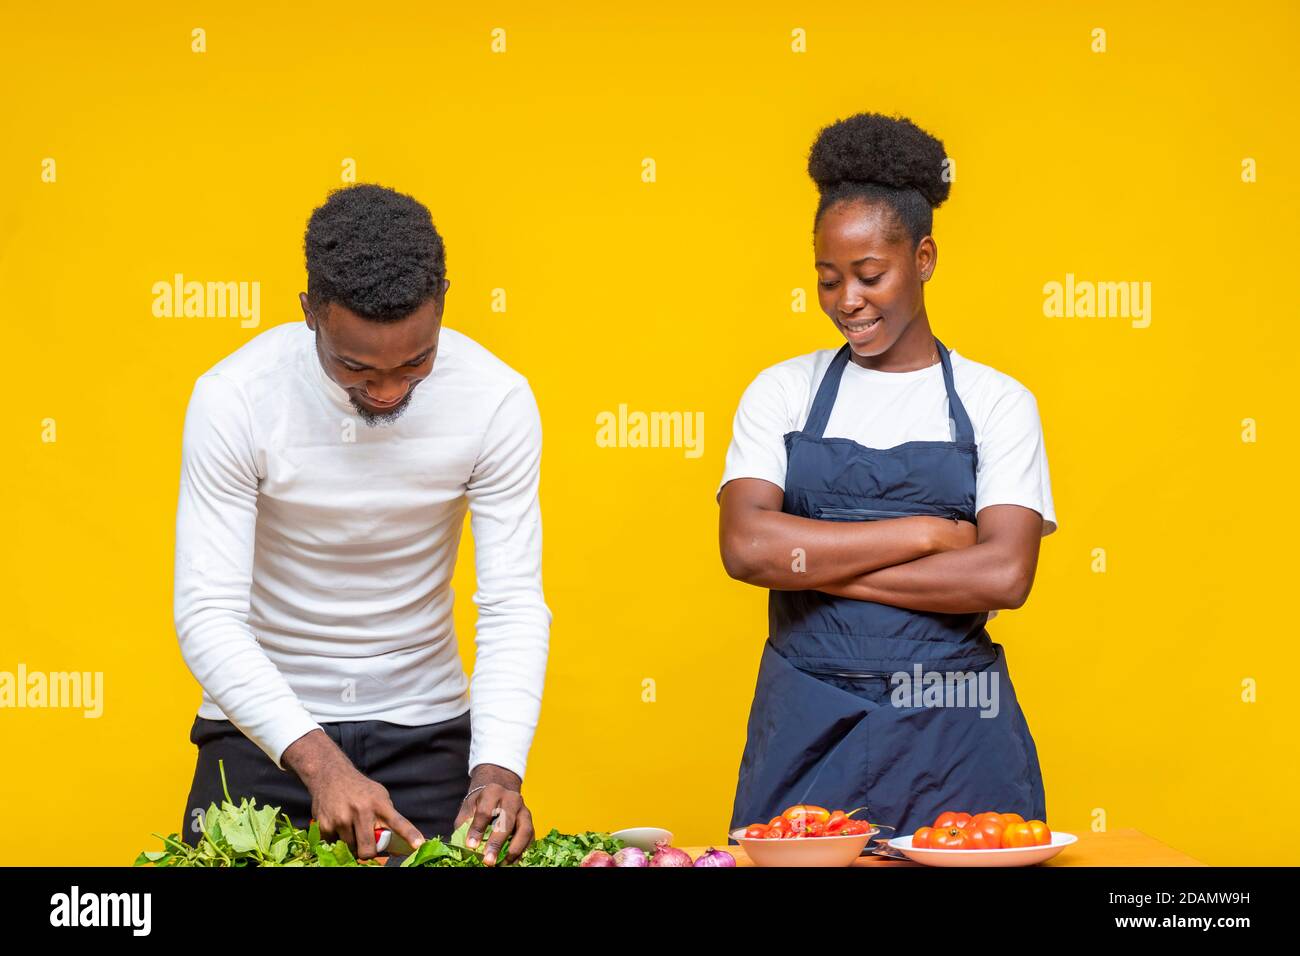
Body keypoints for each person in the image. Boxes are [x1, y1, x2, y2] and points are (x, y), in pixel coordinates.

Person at [173, 183, 550, 864]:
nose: (387, 391)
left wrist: (496, 769)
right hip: (262, 735)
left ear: (443, 307)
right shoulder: (234, 399)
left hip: (428, 732)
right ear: (311, 313)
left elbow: (512, 605)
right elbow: (207, 613)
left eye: (416, 363)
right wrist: (318, 764)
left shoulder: (496, 400)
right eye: (355, 367)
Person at [719, 113, 1055, 838]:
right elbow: (747, 550)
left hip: (955, 730)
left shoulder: (999, 402)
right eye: (828, 279)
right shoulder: (781, 393)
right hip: (807, 722)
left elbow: (1003, 577)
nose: (848, 301)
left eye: (870, 275)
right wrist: (928, 534)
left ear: (925, 257)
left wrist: (811, 567)